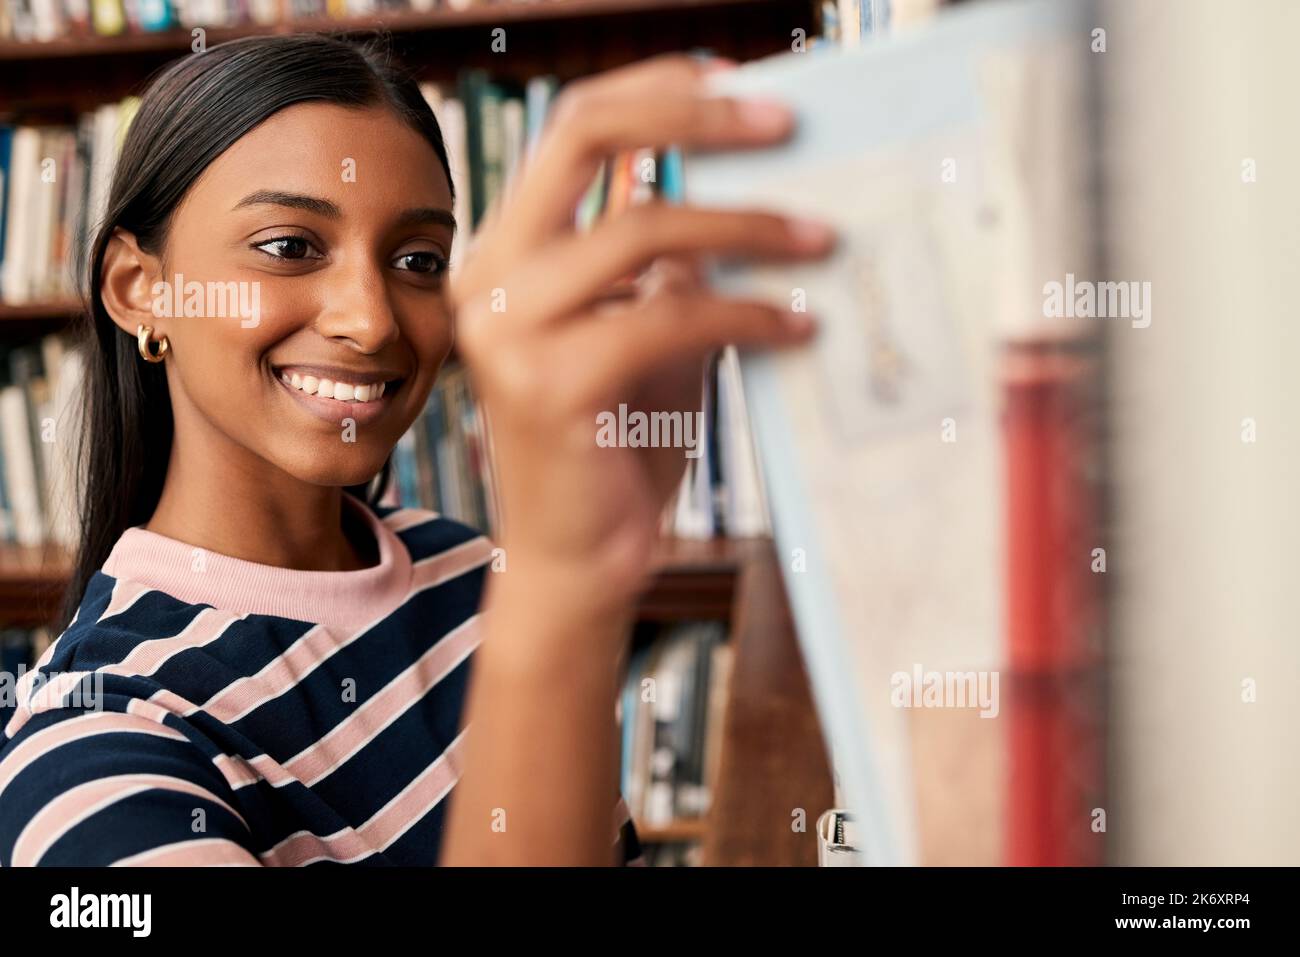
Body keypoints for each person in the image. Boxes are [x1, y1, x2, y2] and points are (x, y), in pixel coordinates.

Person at [0, 34, 830, 865]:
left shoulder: (471, 570)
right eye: (289, 246)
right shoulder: (86, 757)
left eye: (418, 259)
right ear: (139, 290)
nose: (372, 320)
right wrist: (561, 586)